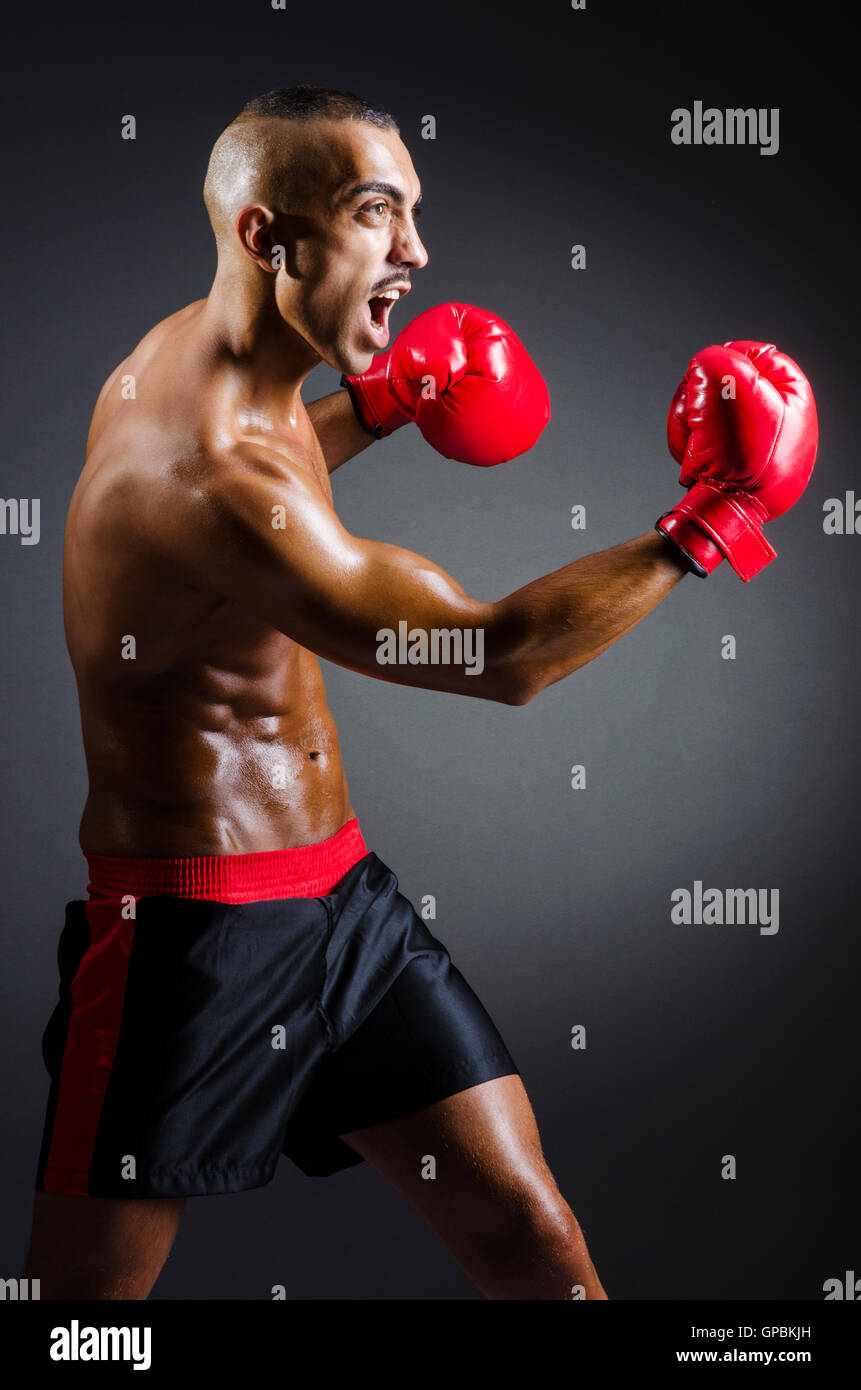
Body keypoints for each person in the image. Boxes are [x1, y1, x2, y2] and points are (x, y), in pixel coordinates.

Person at [23, 85, 817, 1301]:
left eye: (412, 211)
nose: (416, 253)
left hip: (345, 904)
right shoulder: (204, 478)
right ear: (268, 237)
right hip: (193, 943)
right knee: (85, 1320)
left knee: (529, 1234)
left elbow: (275, 463)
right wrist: (714, 518)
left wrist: (383, 405)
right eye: (375, 212)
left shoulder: (202, 357)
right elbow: (494, 658)